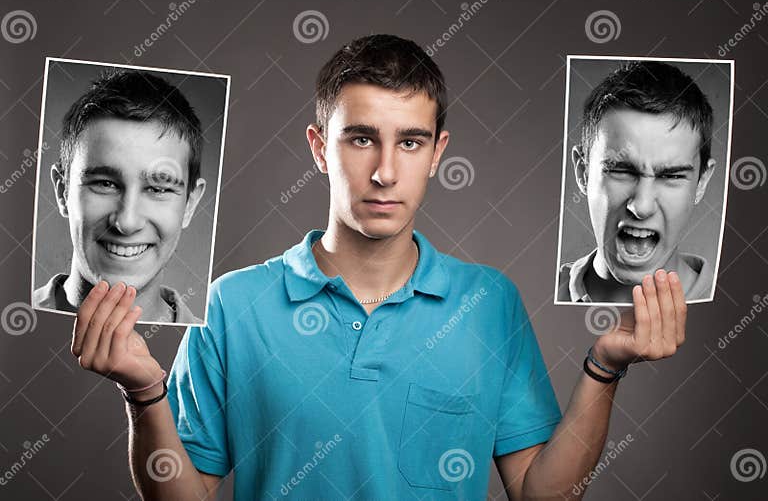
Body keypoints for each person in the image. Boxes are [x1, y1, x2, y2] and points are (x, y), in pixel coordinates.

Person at [71, 35, 688, 500]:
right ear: (320, 148)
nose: (386, 172)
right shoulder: (234, 304)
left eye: (410, 142)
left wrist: (605, 368)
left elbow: (540, 493)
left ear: (437, 153)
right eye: (361, 139)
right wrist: (142, 392)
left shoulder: (489, 303)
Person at [34, 69, 206, 323]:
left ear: (190, 204)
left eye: (158, 189)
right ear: (62, 191)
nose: (127, 223)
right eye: (105, 184)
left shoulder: (214, 343)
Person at [558, 60, 717, 304]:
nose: (641, 207)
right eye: (621, 170)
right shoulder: (529, 294)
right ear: (583, 172)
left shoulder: (736, 304)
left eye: (671, 176)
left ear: (702, 182)